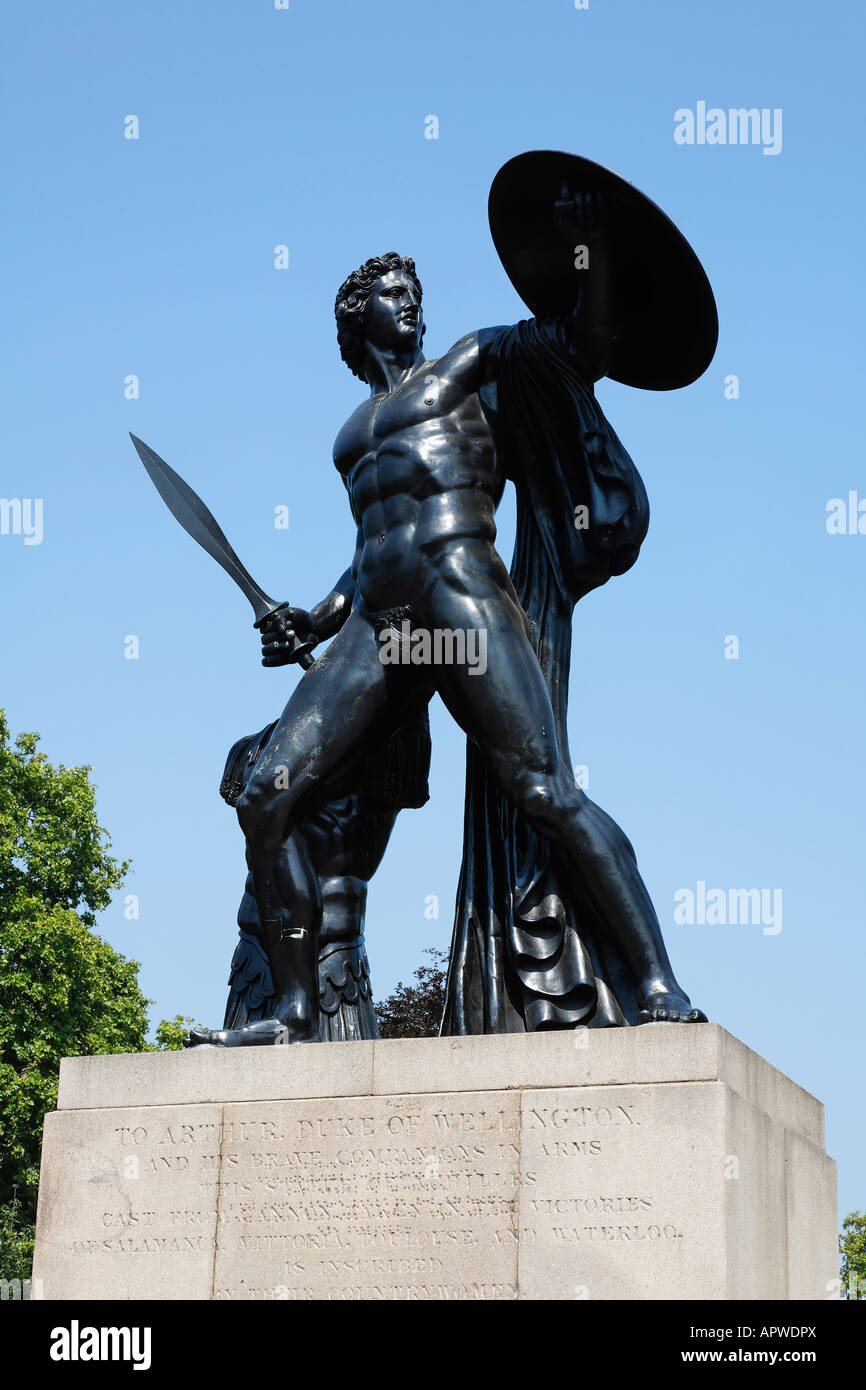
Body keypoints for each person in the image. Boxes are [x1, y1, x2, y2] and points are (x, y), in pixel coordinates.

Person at [233, 187, 705, 1040]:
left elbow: (584, 346)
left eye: (414, 288)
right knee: (267, 793)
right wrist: (316, 617)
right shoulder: (349, 432)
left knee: (544, 790)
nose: (409, 298)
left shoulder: (469, 363)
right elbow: (371, 547)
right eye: (390, 289)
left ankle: (657, 978)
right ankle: (296, 1014)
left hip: (461, 598)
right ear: (355, 315)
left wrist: (591, 249)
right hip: (380, 626)